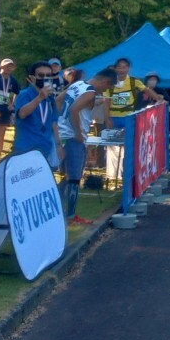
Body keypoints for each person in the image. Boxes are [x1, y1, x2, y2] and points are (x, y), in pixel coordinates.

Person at [60, 67, 115, 225]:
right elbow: (74, 109)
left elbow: (59, 100)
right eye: (108, 87)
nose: (106, 90)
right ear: (105, 82)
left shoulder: (77, 84)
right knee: (74, 178)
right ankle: (70, 216)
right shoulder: (90, 91)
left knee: (67, 175)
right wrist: (78, 131)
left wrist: (57, 123)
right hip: (74, 137)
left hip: (63, 134)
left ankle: (60, 210)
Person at [13, 60, 62, 166]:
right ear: (32, 78)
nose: (45, 78)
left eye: (48, 75)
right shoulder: (25, 94)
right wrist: (39, 98)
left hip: (45, 148)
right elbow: (21, 114)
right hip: (26, 148)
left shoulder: (50, 97)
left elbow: (54, 122)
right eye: (41, 75)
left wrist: (59, 145)